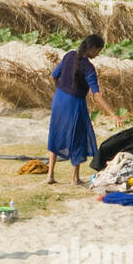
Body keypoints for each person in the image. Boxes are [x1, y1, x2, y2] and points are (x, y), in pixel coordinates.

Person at [46, 34, 122, 185]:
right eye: (98, 51)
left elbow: (54, 75)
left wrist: (59, 92)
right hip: (75, 103)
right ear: (92, 48)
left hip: (59, 99)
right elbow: (97, 95)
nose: (98, 54)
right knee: (78, 137)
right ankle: (75, 178)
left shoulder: (69, 55)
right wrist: (113, 114)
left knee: (55, 134)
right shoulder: (89, 68)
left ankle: (50, 175)